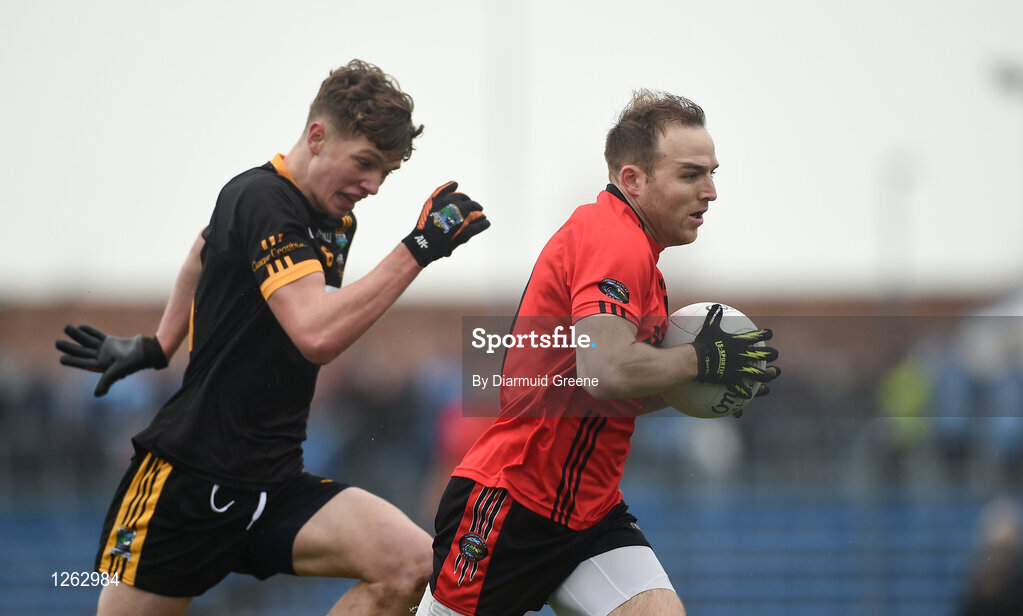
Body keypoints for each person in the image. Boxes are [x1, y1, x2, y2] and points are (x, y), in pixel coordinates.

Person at [55, 59, 490, 616]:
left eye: (386, 173)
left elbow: (201, 248)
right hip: (186, 484)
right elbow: (315, 333)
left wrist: (160, 343)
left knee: (410, 565)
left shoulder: (334, 221)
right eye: (365, 164)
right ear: (317, 135)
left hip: (272, 482)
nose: (374, 186)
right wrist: (419, 249)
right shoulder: (260, 197)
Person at [417, 91, 780, 616]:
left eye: (712, 173)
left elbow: (604, 388)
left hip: (588, 510)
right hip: (517, 502)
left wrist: (705, 389)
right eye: (690, 175)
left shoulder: (640, 258)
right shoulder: (613, 238)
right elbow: (606, 370)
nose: (711, 191)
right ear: (633, 180)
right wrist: (702, 361)